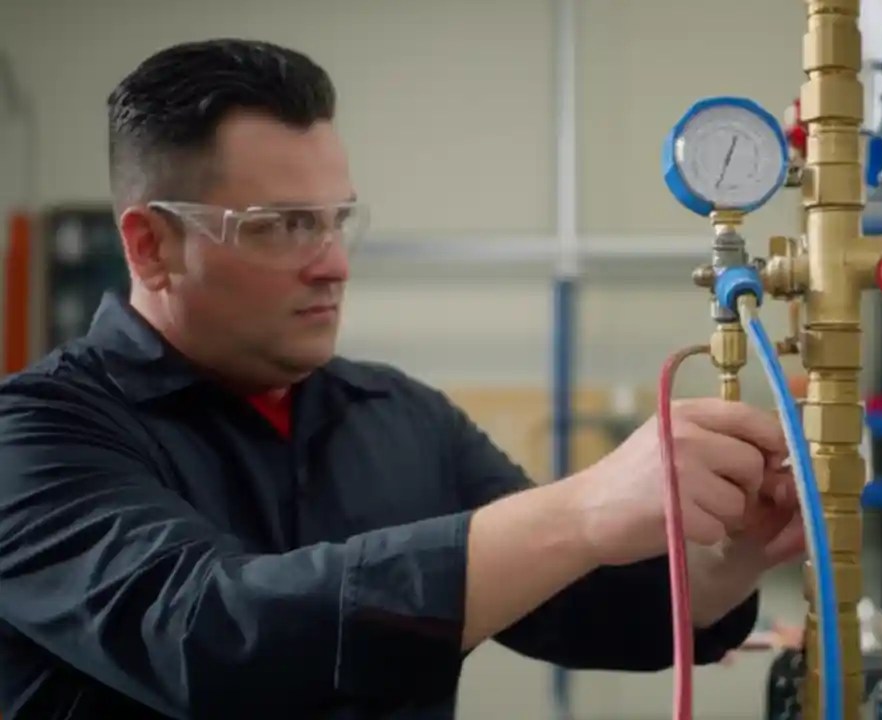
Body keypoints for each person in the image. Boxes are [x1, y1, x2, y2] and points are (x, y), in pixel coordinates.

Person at [0, 39, 807, 720]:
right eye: (283, 226)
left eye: (336, 219)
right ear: (149, 247)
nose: (336, 264)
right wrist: (585, 507)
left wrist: (733, 553)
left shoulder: (399, 417)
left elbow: (581, 610)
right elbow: (212, 638)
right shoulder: (35, 437)